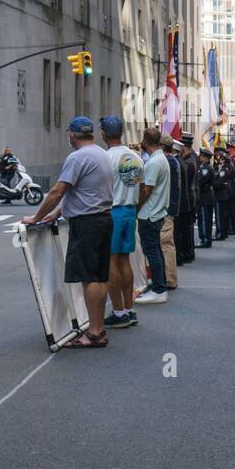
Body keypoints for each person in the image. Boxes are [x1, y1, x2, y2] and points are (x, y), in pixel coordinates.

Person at [21, 118, 114, 347]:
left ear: (72, 134)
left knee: (89, 277)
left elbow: (57, 191)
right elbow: (86, 192)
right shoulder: (101, 154)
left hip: (87, 225)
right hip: (103, 219)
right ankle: (98, 328)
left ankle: (94, 332)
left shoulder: (77, 157)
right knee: (100, 277)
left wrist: (37, 217)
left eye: (69, 134)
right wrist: (59, 213)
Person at [99, 116, 144, 330]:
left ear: (103, 134)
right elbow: (142, 187)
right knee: (125, 260)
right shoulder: (135, 156)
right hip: (130, 210)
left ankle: (118, 312)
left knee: (111, 261)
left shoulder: (105, 158)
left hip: (114, 211)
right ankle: (129, 308)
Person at [134, 127, 171, 305]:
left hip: (149, 213)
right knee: (155, 250)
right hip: (156, 212)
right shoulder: (160, 159)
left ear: (146, 141)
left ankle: (158, 289)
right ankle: (159, 284)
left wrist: (136, 207)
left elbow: (146, 189)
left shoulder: (154, 162)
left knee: (152, 251)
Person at [158, 133, 182, 287]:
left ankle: (169, 279)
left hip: (166, 208)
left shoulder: (168, 162)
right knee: (166, 244)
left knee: (165, 243)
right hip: (169, 207)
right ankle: (168, 277)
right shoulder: (173, 161)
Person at [176, 136, 197, 265]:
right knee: (187, 229)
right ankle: (189, 253)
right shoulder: (191, 159)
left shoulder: (187, 162)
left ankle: (186, 253)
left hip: (187, 198)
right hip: (190, 197)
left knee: (184, 229)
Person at [196, 148, 215, 248]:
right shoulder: (203, 167)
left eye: (202, 156)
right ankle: (205, 238)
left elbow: (199, 181)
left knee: (204, 219)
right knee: (203, 219)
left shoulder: (206, 169)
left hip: (205, 197)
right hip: (204, 197)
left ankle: (205, 239)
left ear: (206, 158)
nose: (200, 157)